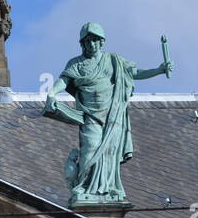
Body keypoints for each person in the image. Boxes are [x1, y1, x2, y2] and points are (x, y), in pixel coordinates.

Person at [43, 22, 172, 204]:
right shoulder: (76, 63)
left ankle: (107, 188)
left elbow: (134, 73)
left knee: (110, 152)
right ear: (82, 44)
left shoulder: (114, 61)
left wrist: (158, 70)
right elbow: (64, 81)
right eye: (87, 41)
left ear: (102, 42)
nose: (91, 44)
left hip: (112, 114)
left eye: (95, 40)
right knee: (90, 148)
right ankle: (85, 186)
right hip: (90, 115)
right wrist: (52, 93)